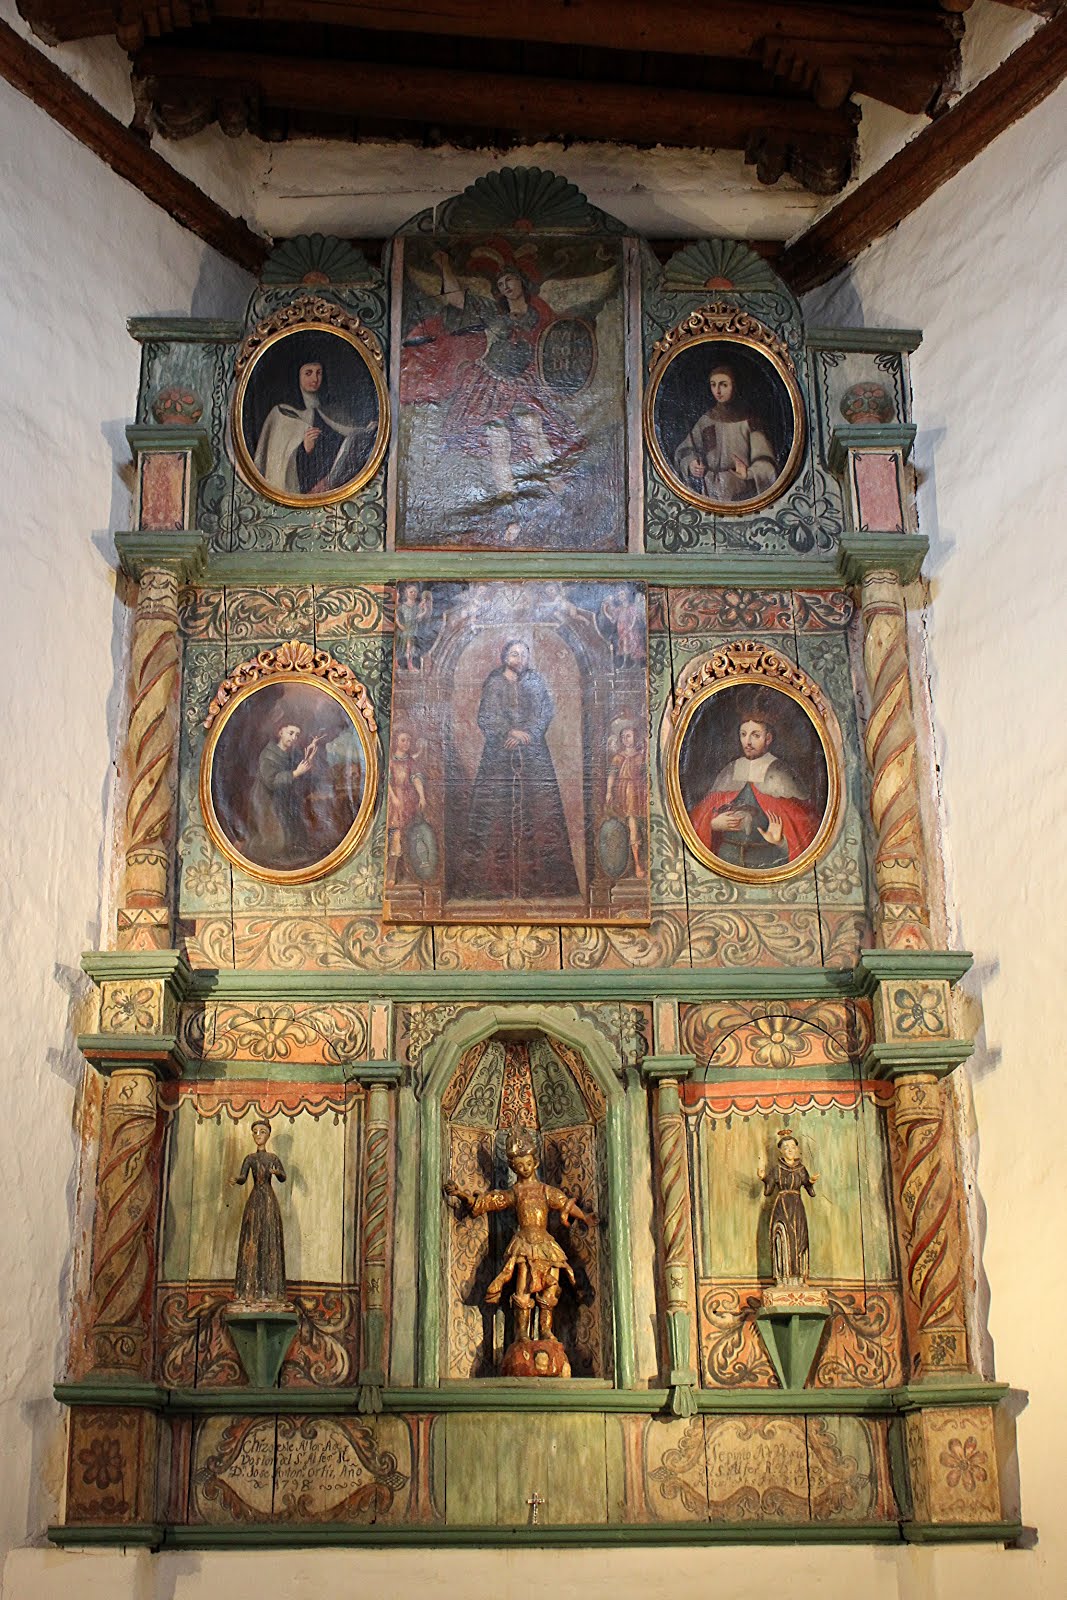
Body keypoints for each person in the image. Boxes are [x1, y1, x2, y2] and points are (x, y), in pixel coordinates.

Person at [401, 248, 583, 500]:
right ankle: (505, 495)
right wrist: (445, 265)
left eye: (509, 280)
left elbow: (557, 344)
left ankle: (557, 485)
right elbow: (456, 299)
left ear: (522, 282)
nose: (505, 286)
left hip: (522, 380)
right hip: (490, 380)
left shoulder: (539, 314)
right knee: (498, 436)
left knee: (532, 426)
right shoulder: (492, 312)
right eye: (500, 284)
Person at [445, 1126, 596, 1346]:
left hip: (545, 1244)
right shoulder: (516, 1192)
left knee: (550, 1287)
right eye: (518, 1166)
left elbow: (563, 1202)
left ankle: (546, 1332)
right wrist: (461, 1194)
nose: (524, 1168)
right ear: (513, 1168)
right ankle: (522, 1334)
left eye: (527, 1163)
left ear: (535, 1163)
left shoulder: (544, 1190)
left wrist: (584, 1218)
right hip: (524, 1244)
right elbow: (489, 1202)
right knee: (522, 1288)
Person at [459, 640, 579, 901]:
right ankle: (491, 884)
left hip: (534, 756)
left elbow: (544, 711)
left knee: (541, 811)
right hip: (498, 755)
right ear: (505, 656)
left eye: (523, 654)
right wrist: (507, 731)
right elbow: (486, 715)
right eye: (515, 654)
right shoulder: (494, 682)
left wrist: (528, 734)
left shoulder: (535, 681)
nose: (519, 658)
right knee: (493, 814)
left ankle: (541, 886)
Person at [687, 697, 820, 869]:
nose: (748, 742)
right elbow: (697, 819)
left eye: (755, 735)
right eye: (743, 734)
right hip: (724, 860)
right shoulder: (730, 770)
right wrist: (711, 824)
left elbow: (805, 832)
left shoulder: (781, 773)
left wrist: (781, 842)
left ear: (768, 738)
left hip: (765, 863)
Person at [253, 358, 375, 496]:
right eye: (308, 373)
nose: (315, 378)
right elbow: (278, 463)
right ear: (296, 376)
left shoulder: (336, 412)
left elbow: (343, 450)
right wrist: (304, 449)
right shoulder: (282, 414)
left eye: (319, 373)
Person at [673, 363, 778, 503]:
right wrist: (692, 464)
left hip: (741, 489)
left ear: (735, 386)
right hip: (709, 490)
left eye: (723, 385)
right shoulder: (706, 420)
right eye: (713, 384)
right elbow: (685, 451)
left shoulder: (749, 422)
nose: (717, 391)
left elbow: (766, 462)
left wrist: (748, 473)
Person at [245, 721, 323, 868]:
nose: (294, 738)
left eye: (297, 735)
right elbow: (271, 781)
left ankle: (294, 858)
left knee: (297, 829)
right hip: (267, 801)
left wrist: (310, 754)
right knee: (275, 838)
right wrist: (295, 773)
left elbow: (301, 767)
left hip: (284, 799)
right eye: (291, 733)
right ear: (280, 732)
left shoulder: (290, 753)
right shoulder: (268, 754)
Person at [233, 1120, 289, 1307]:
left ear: (268, 1135)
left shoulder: (272, 1157)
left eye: (262, 1131)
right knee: (253, 1239)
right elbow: (243, 1177)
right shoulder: (250, 1158)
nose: (258, 1134)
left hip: (268, 1201)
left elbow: (283, 1176)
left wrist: (276, 1172)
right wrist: (235, 1179)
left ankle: (270, 1289)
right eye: (255, 1131)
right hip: (255, 1201)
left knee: (269, 1240)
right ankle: (250, 1289)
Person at [757, 1129, 818, 1285]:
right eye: (786, 1148)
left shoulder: (801, 1168)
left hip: (797, 1207)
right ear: (781, 1151)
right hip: (782, 1206)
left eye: (792, 1147)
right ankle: (783, 1278)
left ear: (796, 1149)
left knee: (799, 1239)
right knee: (783, 1238)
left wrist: (810, 1181)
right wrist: (764, 1178)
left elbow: (809, 1190)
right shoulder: (777, 1169)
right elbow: (769, 1190)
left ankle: (800, 1278)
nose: (789, 1150)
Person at [386, 729, 427, 887]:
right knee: (396, 835)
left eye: (409, 740)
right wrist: (394, 797)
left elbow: (416, 779)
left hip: (407, 802)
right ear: (396, 741)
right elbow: (388, 783)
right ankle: (391, 873)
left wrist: (422, 796)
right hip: (395, 803)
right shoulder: (391, 761)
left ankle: (407, 872)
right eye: (403, 740)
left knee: (407, 835)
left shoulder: (411, 762)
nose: (406, 743)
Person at [605, 723, 646, 879]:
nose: (625, 739)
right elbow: (611, 775)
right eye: (623, 736)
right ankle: (637, 865)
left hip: (639, 790)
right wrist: (609, 791)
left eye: (628, 736)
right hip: (625, 790)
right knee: (632, 823)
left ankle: (644, 861)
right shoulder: (618, 757)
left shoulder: (641, 756)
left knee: (642, 823)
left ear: (635, 737)